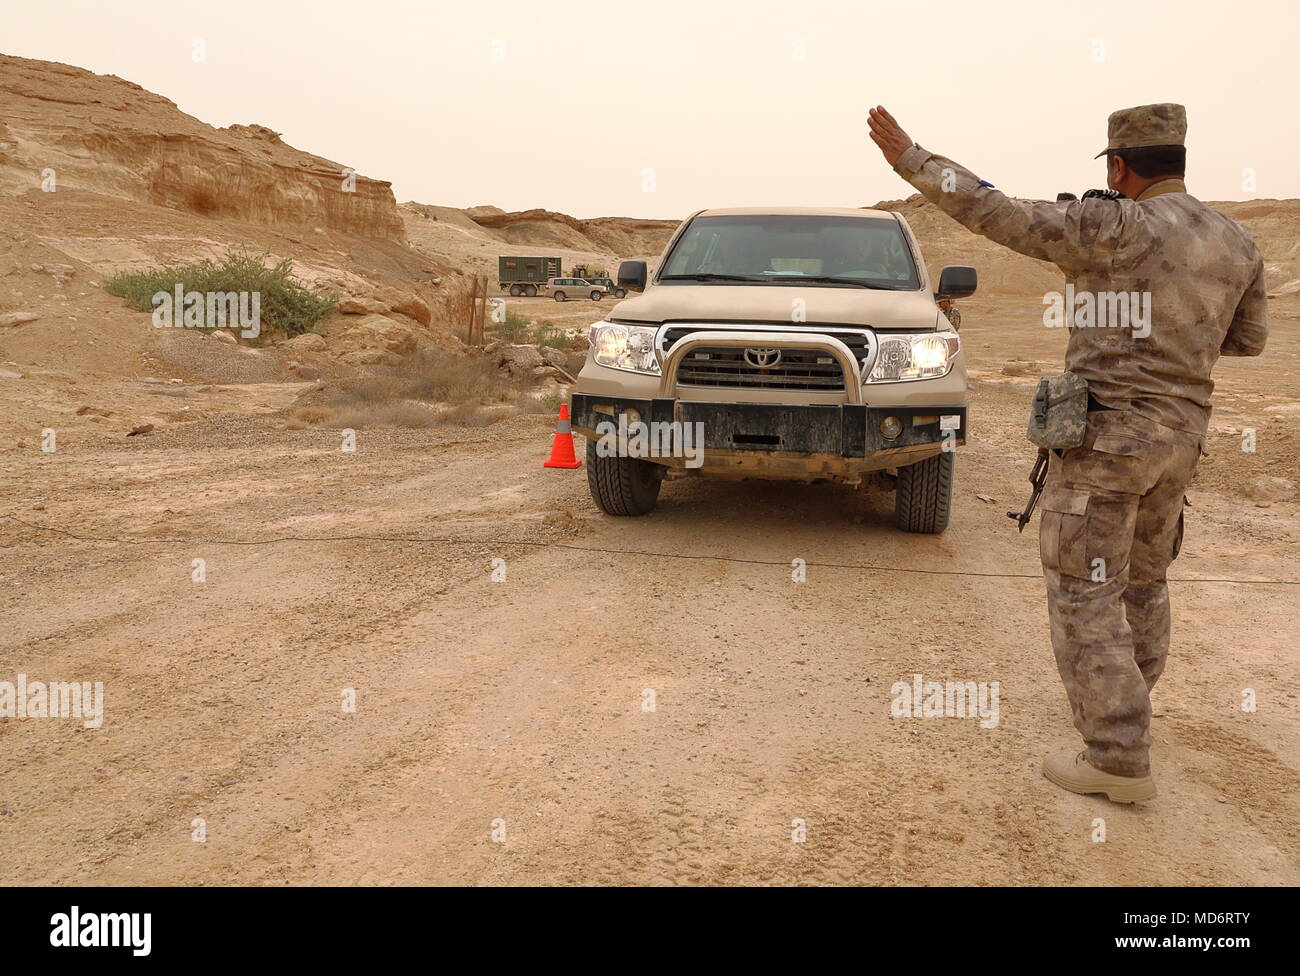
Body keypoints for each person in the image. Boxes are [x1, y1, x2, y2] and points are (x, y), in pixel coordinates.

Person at [867, 103, 1268, 803]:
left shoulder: (1112, 223)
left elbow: (997, 213)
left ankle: (1116, 756)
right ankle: (1128, 714)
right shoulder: (1236, 240)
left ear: (1118, 167)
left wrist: (912, 160)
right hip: (1182, 440)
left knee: (1086, 587)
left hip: (1109, 438)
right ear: (1178, 161)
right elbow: (1248, 340)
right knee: (1144, 582)